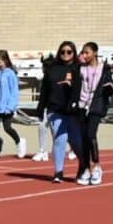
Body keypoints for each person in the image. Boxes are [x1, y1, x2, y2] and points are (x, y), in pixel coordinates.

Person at [39, 41, 84, 184]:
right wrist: (41, 107)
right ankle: (58, 172)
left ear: (74, 53)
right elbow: (45, 90)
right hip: (55, 109)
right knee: (60, 139)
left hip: (72, 111)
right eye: (63, 51)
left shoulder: (79, 69)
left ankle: (83, 165)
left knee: (75, 141)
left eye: (69, 51)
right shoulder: (52, 69)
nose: (66, 54)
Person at [75, 41, 113, 187]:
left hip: (96, 105)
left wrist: (109, 88)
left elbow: (111, 84)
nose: (84, 55)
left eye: (87, 52)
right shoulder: (80, 68)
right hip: (81, 105)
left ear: (95, 52)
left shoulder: (104, 68)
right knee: (83, 137)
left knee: (91, 134)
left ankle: (97, 166)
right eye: (83, 53)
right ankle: (86, 168)